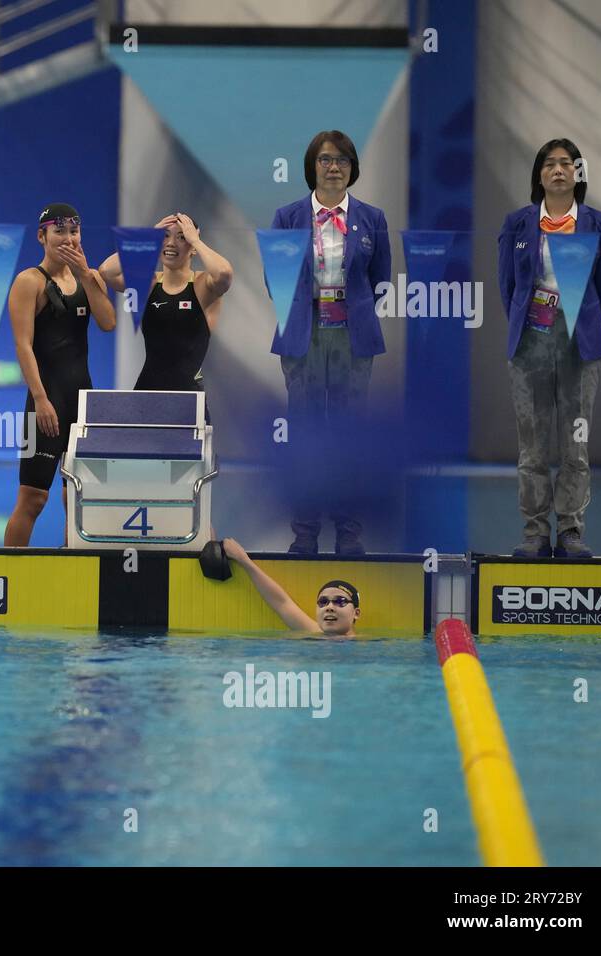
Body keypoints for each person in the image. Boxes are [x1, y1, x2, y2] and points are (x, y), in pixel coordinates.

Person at [497, 138, 601, 559]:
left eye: (566, 163)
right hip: (530, 341)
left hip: (578, 346)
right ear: (539, 174)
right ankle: (534, 532)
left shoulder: (599, 225)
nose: (557, 170)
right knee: (531, 444)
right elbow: (507, 287)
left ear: (577, 173)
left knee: (575, 442)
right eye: (549, 164)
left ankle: (570, 531)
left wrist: (577, 320)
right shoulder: (518, 223)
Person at [270, 130, 391, 557]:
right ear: (311, 167)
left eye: (342, 159)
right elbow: (277, 280)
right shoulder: (287, 217)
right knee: (304, 433)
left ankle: (348, 534)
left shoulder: (373, 218)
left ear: (353, 167)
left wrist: (349, 307)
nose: (333, 166)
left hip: (352, 337)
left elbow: (380, 279)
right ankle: (304, 533)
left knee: (348, 434)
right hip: (303, 334)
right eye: (325, 159)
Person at [3, 203, 116, 547]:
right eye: (59, 232)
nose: (68, 239)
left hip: (82, 400)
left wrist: (86, 274)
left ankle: (72, 570)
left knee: (77, 499)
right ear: (42, 236)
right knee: (33, 498)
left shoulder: (90, 277)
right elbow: (23, 346)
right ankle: (10, 574)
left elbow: (108, 322)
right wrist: (40, 399)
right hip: (46, 400)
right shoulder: (29, 282)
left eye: (74, 232)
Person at [98, 212, 233, 405]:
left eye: (181, 237)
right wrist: (148, 237)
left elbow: (223, 272)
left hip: (188, 400)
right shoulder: (148, 283)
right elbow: (106, 271)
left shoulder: (203, 286)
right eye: (165, 236)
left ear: (192, 247)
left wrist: (195, 240)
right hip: (146, 393)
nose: (171, 243)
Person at [221, 538, 359, 637]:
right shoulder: (314, 633)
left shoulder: (367, 645)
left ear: (356, 613)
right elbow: (281, 602)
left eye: (340, 601)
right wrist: (243, 560)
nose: (329, 607)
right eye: (323, 602)